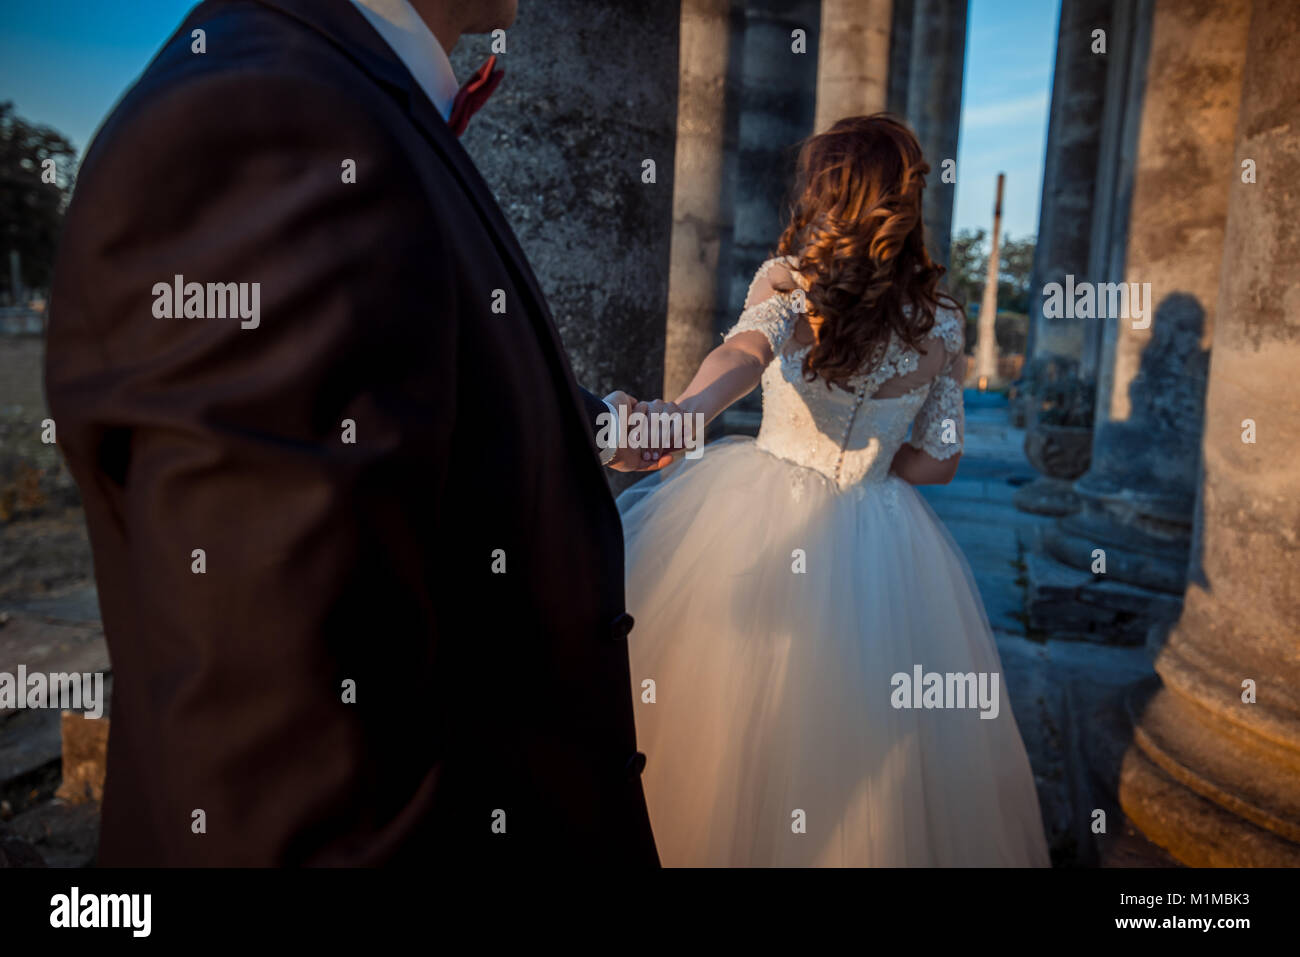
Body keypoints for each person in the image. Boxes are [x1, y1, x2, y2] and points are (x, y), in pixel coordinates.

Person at [45, 0, 664, 866]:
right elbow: (288, 787)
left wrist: (589, 421)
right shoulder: (267, 120)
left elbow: (408, 383)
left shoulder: (350, 96)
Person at [617, 114, 1051, 866]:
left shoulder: (788, 279)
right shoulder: (942, 324)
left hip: (754, 513)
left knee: (722, 727)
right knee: (868, 741)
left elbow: (745, 352)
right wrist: (879, 460)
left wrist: (683, 417)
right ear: (907, 207)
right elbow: (939, 461)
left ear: (825, 195)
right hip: (882, 534)